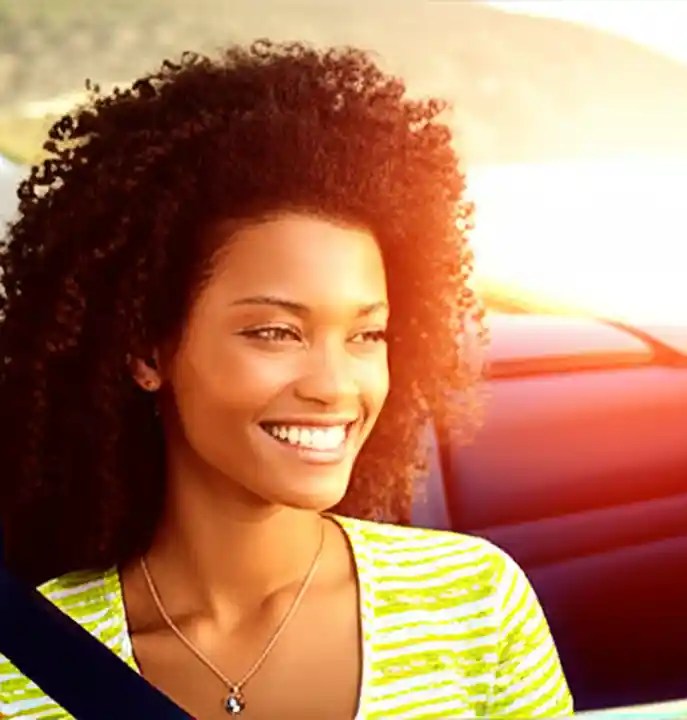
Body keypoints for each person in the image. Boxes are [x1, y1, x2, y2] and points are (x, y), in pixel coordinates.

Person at [0, 41, 573, 719]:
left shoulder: (478, 604)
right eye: (275, 332)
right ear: (145, 351)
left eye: (366, 334)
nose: (335, 385)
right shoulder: (20, 668)